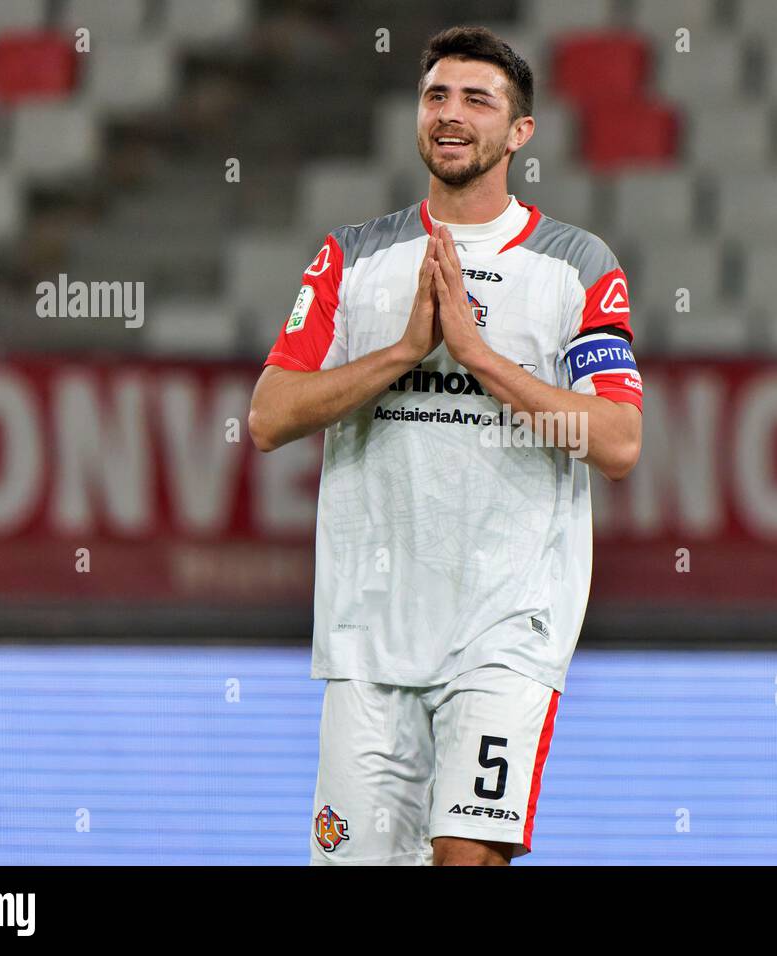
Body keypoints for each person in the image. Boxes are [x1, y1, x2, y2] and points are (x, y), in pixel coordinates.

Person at [248, 25, 643, 865]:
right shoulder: (351, 257)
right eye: (436, 96)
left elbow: (615, 441)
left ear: (520, 131)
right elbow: (270, 416)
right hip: (368, 637)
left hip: (507, 630)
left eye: (477, 99)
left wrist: (478, 358)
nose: (452, 114)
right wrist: (398, 355)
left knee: (465, 859)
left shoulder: (577, 265)